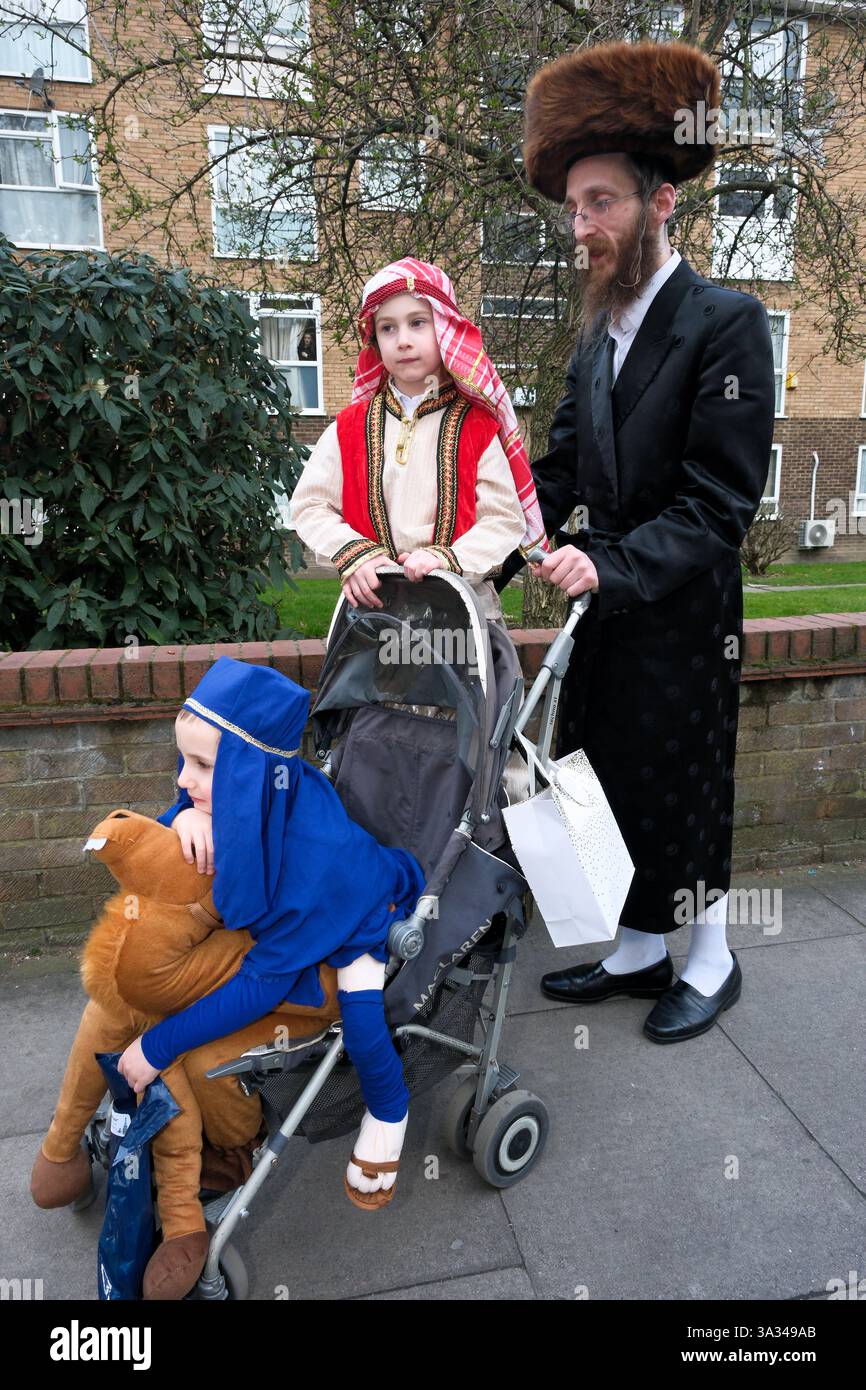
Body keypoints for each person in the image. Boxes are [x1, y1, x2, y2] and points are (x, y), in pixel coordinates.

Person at [496, 40, 777, 1042]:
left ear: (660, 202)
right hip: (601, 607)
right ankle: (635, 946)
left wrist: (608, 562)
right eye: (573, 207)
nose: (582, 226)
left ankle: (710, 957)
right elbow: (559, 472)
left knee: (679, 785)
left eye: (600, 202)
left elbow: (717, 501)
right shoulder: (593, 338)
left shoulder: (726, 323)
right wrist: (486, 540)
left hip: (683, 607)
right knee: (599, 778)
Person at [117, 656, 426, 1247]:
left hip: (361, 912)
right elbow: (164, 840)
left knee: (363, 1024)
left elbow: (263, 984)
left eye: (202, 766)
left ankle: (390, 1112)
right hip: (301, 903)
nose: (184, 778)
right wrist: (182, 818)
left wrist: (159, 1045)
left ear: (247, 773)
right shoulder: (250, 790)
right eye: (183, 761)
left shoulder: (310, 858)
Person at [289, 255, 549, 630]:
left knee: (463, 691)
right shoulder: (350, 427)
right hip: (372, 616)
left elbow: (503, 518)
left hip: (463, 615)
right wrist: (355, 555)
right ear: (375, 340)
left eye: (417, 323)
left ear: (444, 327)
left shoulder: (477, 426)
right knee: (374, 692)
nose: (404, 340)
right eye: (388, 328)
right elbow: (311, 504)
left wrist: (448, 558)